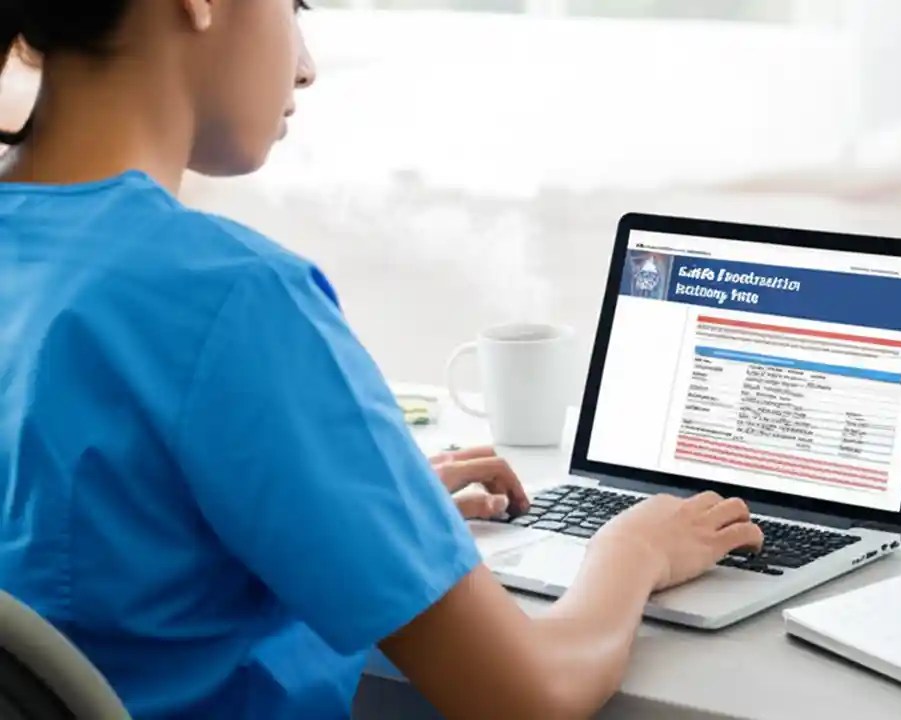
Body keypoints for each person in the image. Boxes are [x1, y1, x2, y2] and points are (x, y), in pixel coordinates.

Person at [0, 1, 764, 718]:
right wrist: (632, 550)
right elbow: (532, 693)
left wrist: (366, 511)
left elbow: (83, 533)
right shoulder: (228, 295)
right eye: (295, 7)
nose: (304, 67)